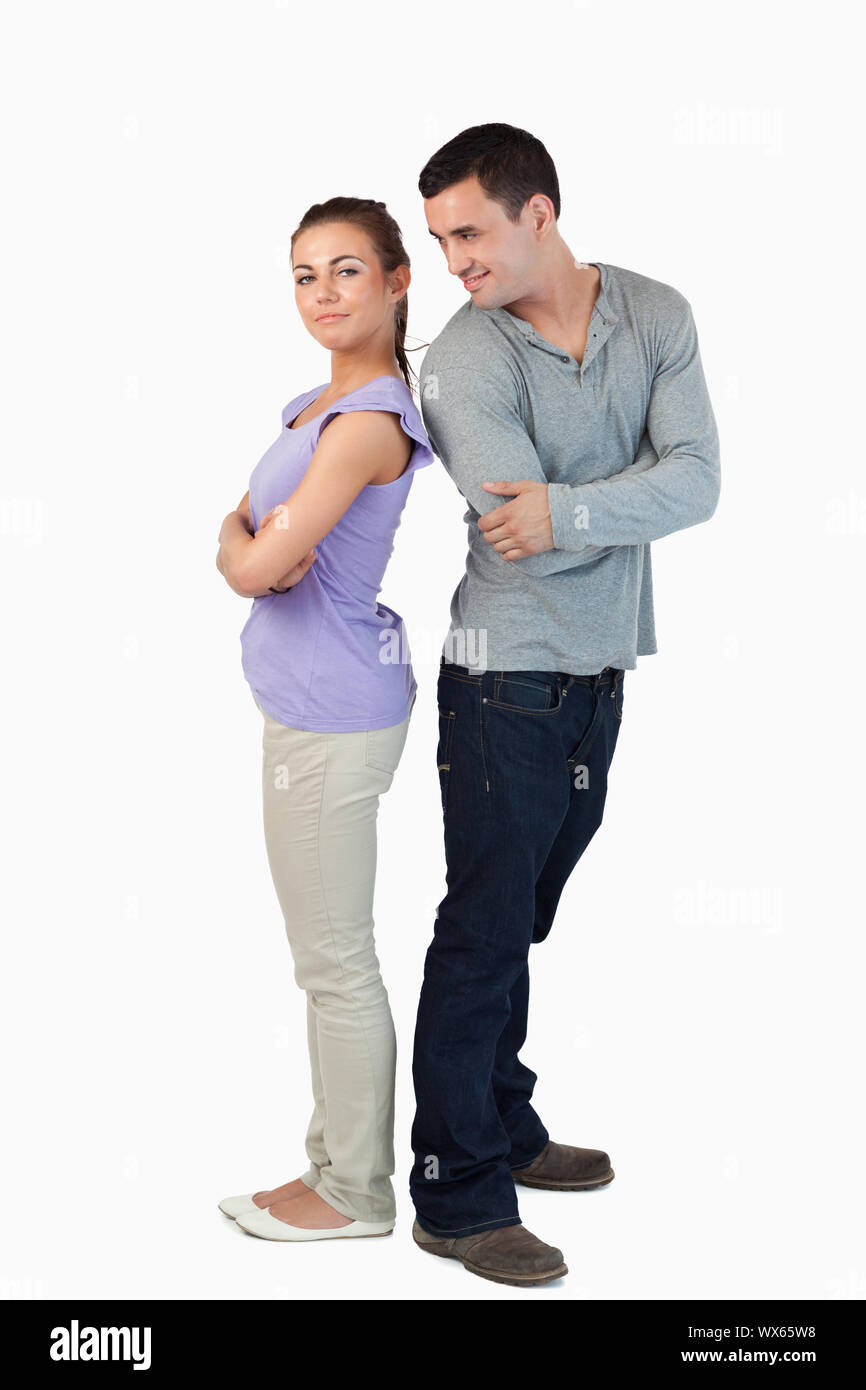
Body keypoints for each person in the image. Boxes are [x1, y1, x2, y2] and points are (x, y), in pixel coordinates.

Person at [409, 123, 721, 1286]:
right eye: (439, 239)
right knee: (484, 929)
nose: (453, 262)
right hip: (502, 676)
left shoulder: (655, 314)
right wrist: (617, 499)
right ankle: (455, 1187)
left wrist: (573, 509)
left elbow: (698, 479)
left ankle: (503, 1121)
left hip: (599, 677)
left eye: (470, 233)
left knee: (521, 920)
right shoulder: (459, 358)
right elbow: (512, 530)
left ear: (538, 210)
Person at [215, 196, 433, 1243]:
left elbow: (259, 560)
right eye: (304, 274)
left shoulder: (366, 421)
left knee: (334, 960)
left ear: (396, 279)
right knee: (323, 955)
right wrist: (237, 545)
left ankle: (354, 1192)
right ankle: (328, 1166)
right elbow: (244, 540)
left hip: (332, 719)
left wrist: (242, 552)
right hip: (311, 704)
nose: (322, 293)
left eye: (347, 270)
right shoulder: (315, 402)